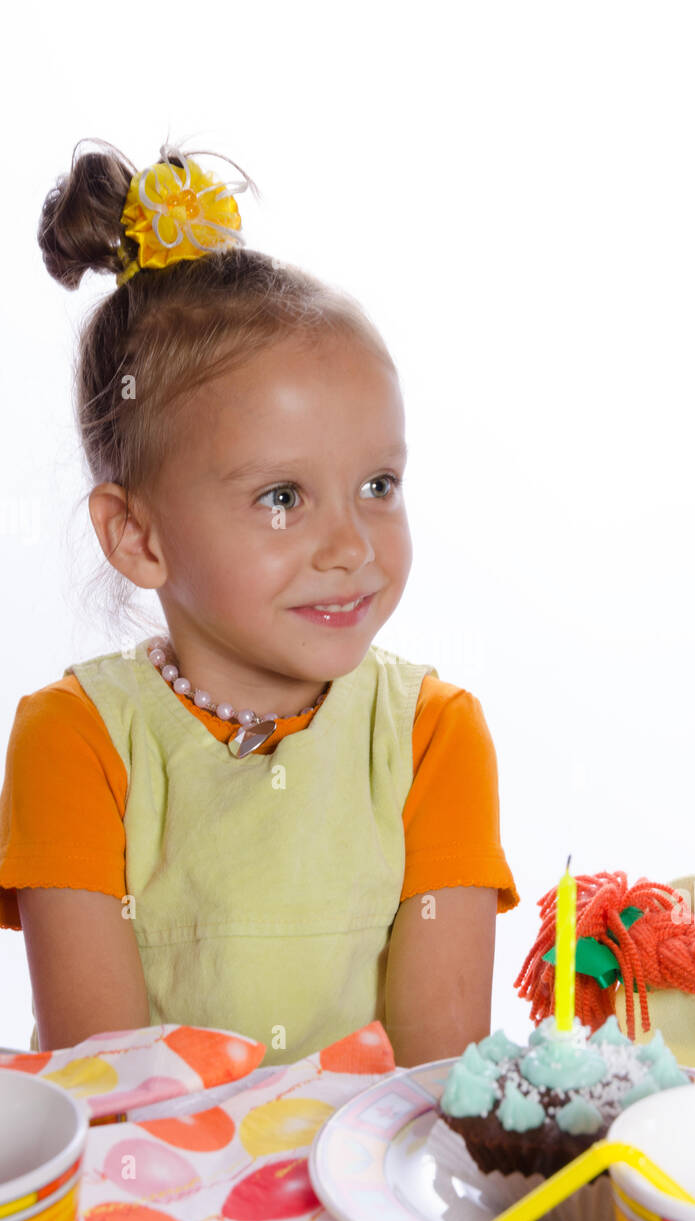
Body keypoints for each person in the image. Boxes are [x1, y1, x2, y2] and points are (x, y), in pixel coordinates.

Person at [0, 138, 519, 1068]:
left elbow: (438, 1080)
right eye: (282, 498)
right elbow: (109, 1079)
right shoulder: (75, 742)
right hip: (149, 1197)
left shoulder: (433, 734)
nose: (352, 546)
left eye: (378, 484)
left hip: (365, 1194)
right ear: (138, 537)